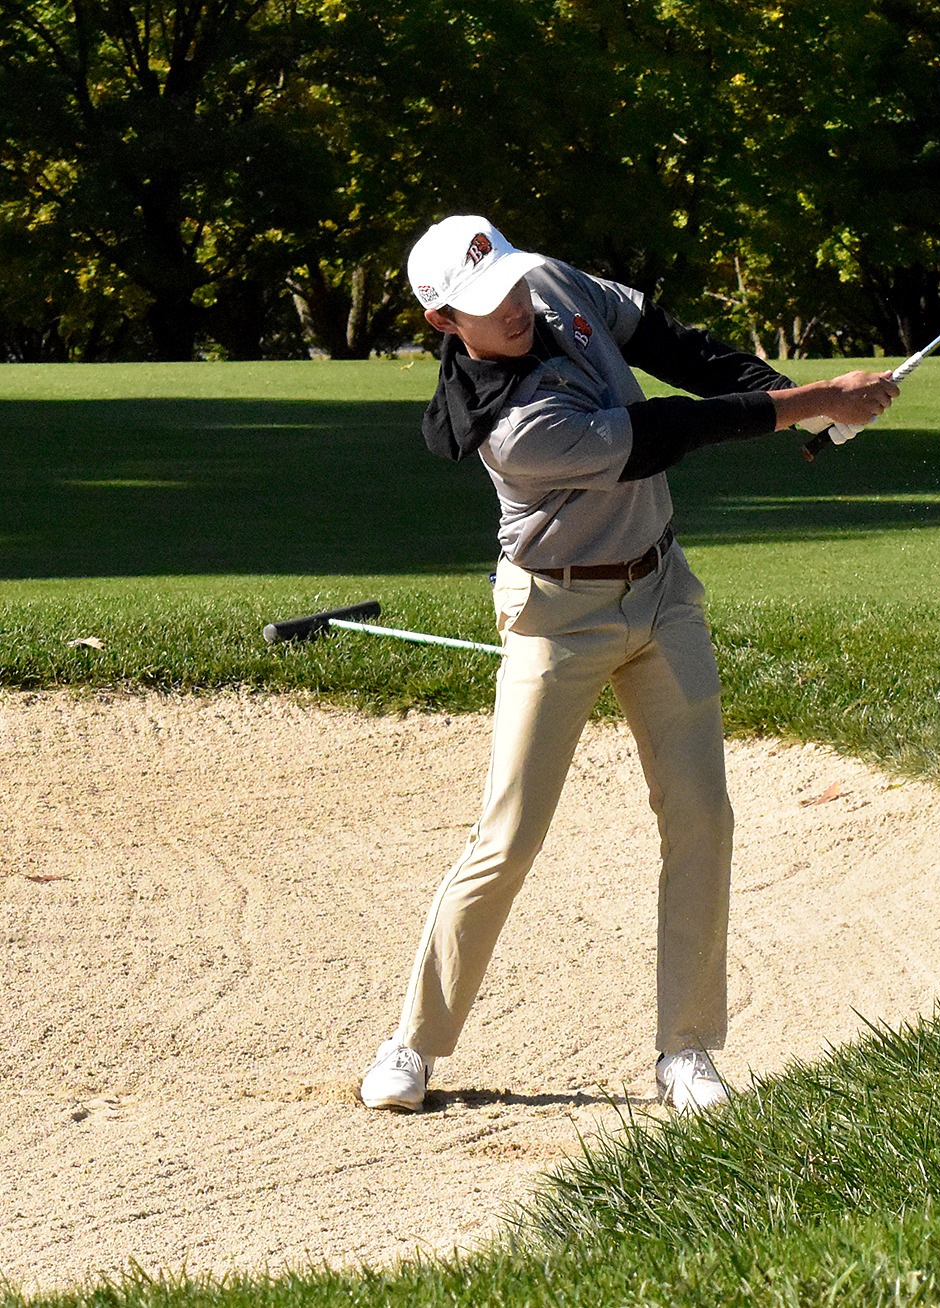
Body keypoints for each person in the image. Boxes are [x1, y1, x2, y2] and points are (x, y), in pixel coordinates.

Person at [359, 215, 897, 1113]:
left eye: (517, 286)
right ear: (445, 322)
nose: (519, 308)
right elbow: (663, 432)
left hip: (661, 593)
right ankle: (413, 1043)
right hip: (556, 615)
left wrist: (795, 396)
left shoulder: (548, 286)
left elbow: (674, 349)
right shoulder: (516, 430)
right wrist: (815, 401)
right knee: (510, 837)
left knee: (702, 819)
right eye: (491, 307)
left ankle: (685, 1051)